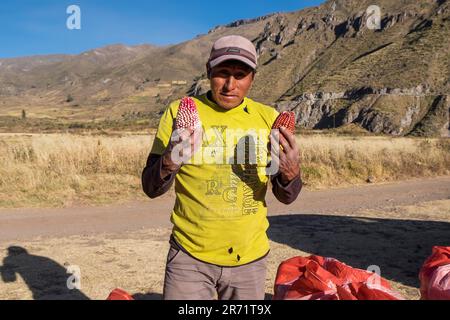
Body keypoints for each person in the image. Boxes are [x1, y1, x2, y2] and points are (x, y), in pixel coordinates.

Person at [142, 35, 302, 300]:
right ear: (208, 71)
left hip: (249, 260)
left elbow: (286, 197)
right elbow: (150, 188)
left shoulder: (268, 118)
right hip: (189, 257)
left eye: (240, 75)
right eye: (222, 73)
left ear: (252, 77)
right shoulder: (180, 112)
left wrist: (290, 172)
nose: (230, 85)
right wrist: (170, 159)